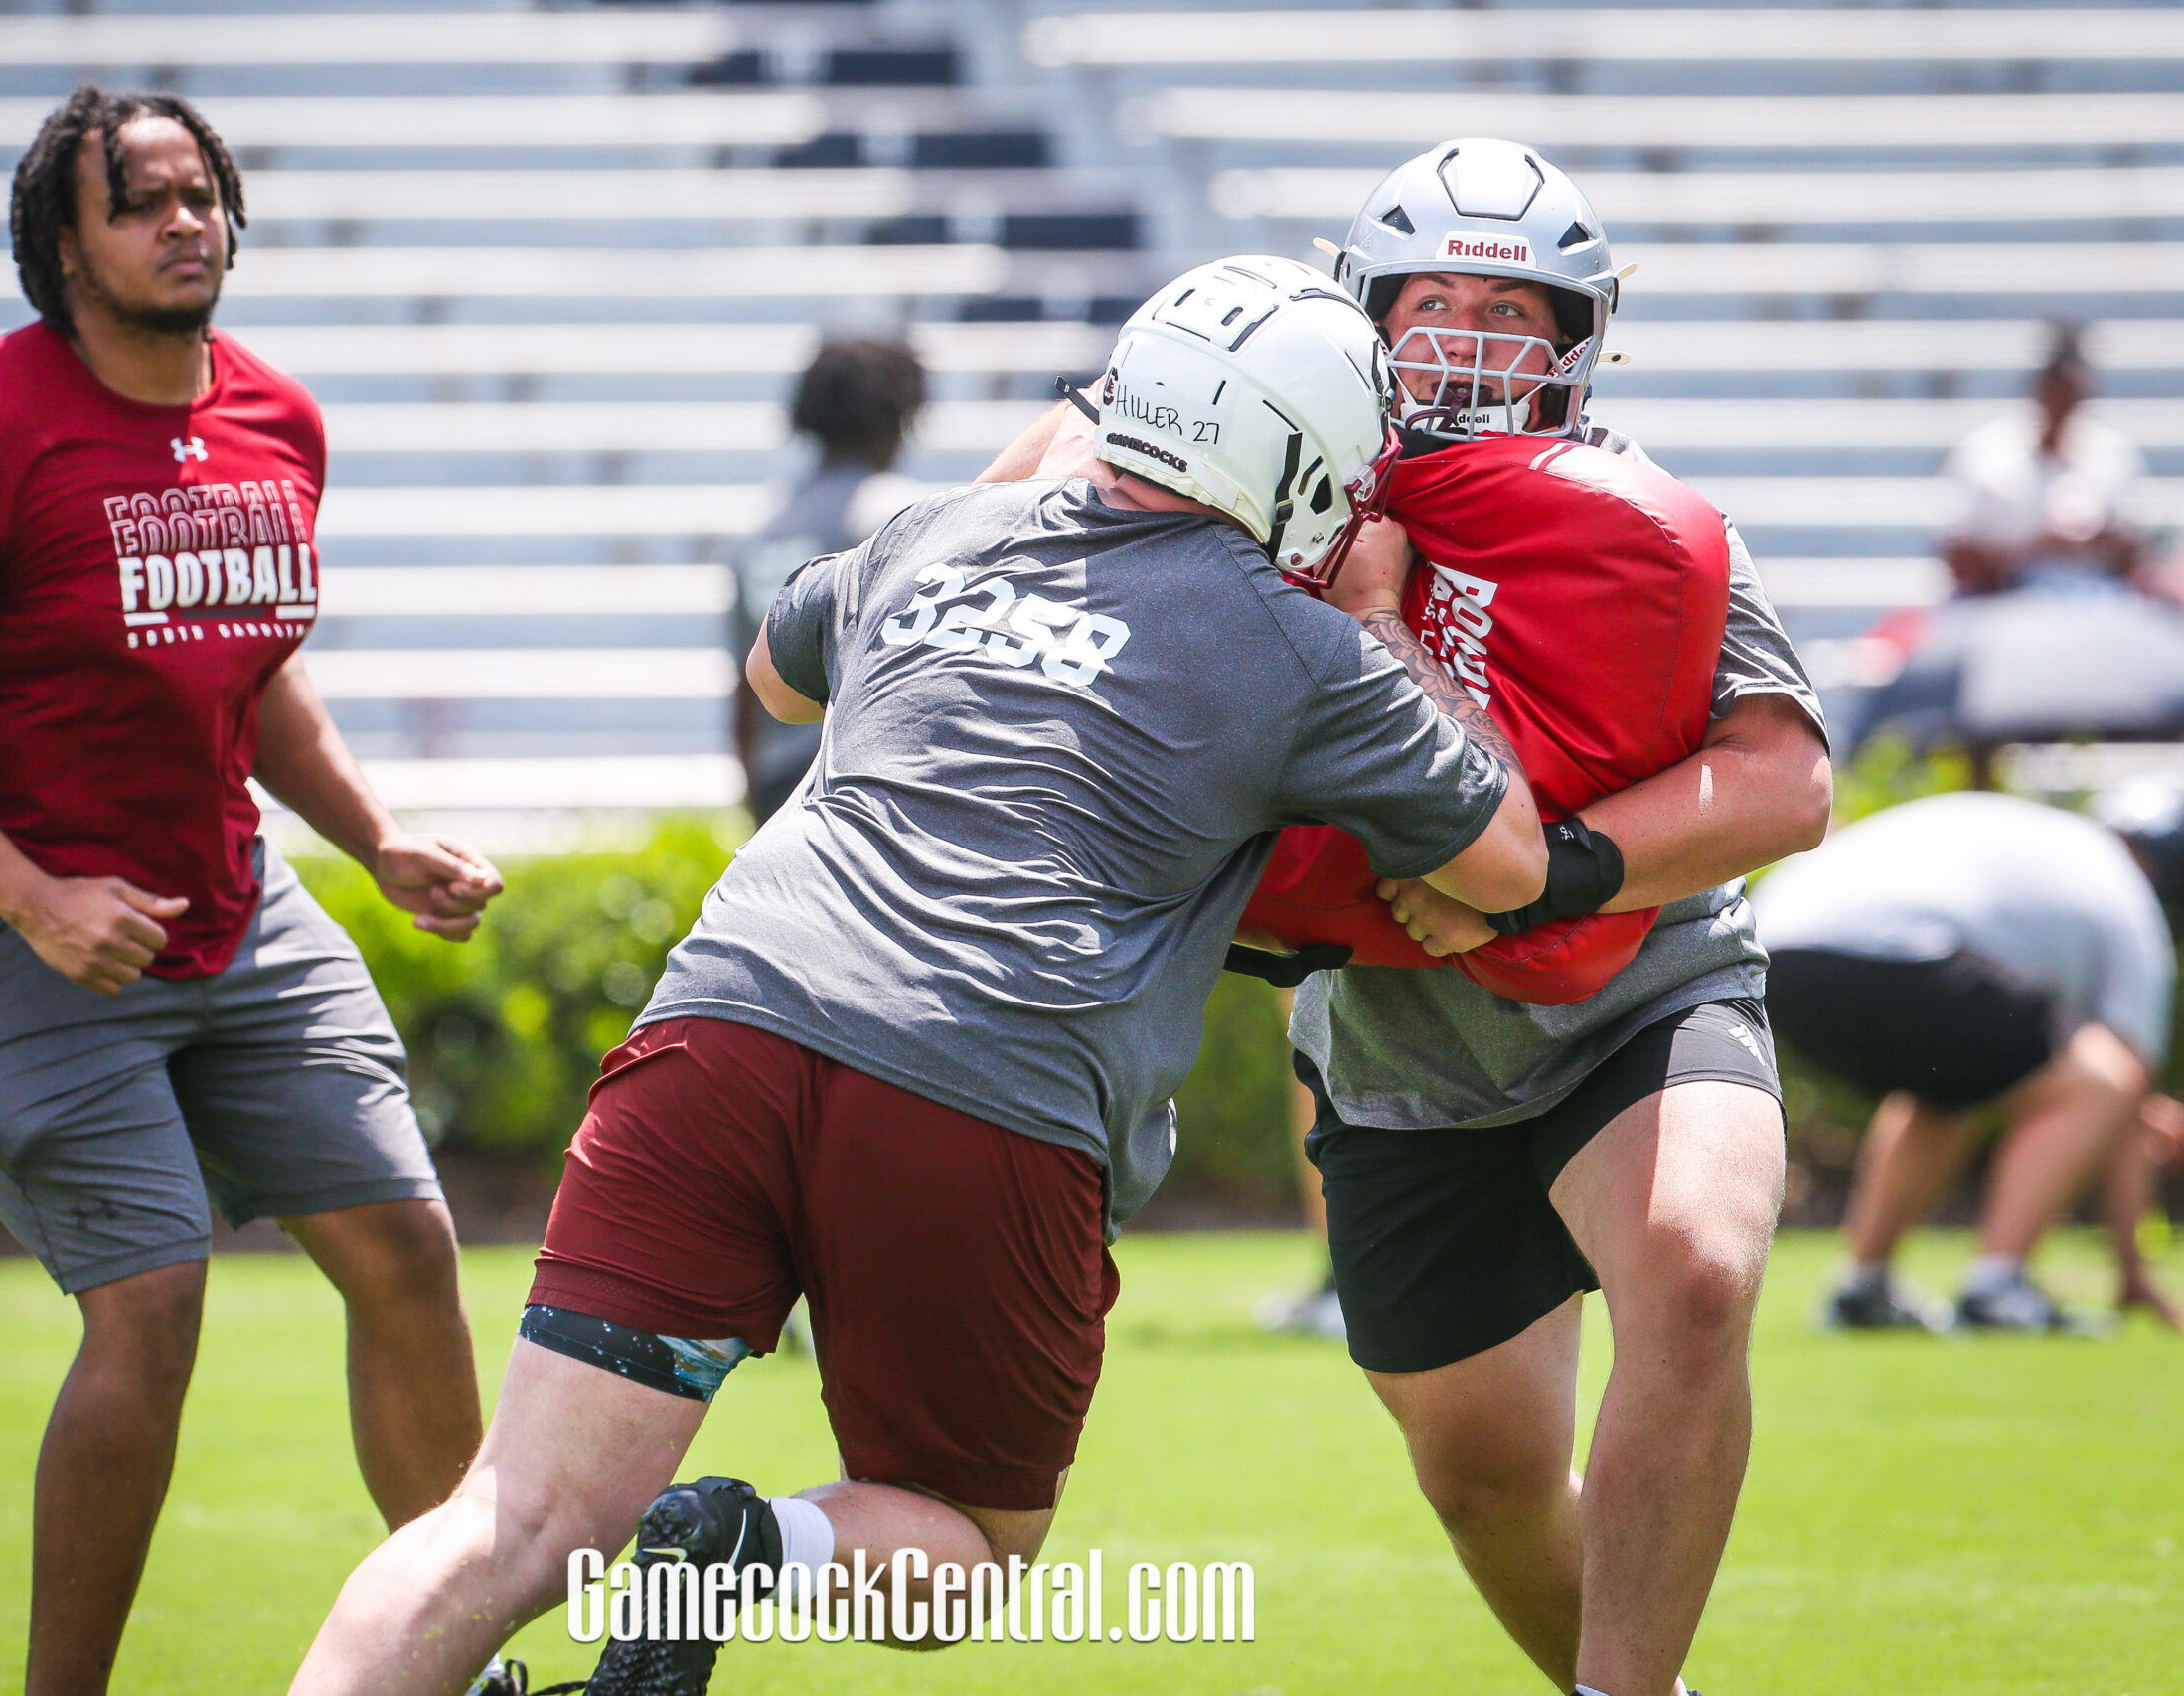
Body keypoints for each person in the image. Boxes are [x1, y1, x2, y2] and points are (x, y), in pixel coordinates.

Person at [286, 256, 1549, 1696]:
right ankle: (752, 1546)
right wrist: (1381, 606)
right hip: (987, 1079)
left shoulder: (938, 526)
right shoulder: (1304, 643)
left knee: (514, 1515)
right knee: (969, 1537)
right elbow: (1506, 856)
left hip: (728, 1013)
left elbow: (777, 674)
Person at [990, 139, 1834, 1696]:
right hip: (1395, 1050)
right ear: (1358, 314)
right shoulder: (1266, 479)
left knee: (1696, 1266)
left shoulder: (1625, 521)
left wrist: (1551, 868)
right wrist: (1085, 421)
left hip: (1639, 987)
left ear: (1577, 346)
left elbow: (1783, 781)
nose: (1462, 342)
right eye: (1430, 301)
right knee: (1484, 1477)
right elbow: (1025, 543)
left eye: (1507, 312)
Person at [0, 87, 495, 1696]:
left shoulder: (280, 422)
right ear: (64, 242)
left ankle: (449, 1663)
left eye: (204, 196)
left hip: (235, 907)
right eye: (142, 202)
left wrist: (376, 839)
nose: (187, 223)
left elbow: (249, 674)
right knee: (153, 1298)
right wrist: (34, 896)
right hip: (9, 932)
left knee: (406, 1244)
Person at [1756, 787, 2184, 1332]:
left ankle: (1863, 1287)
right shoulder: (2129, 900)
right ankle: (1998, 1289)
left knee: (1953, 1082)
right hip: (1893, 949)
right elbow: (2122, 1079)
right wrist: (2132, 1269)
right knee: (2102, 1082)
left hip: (1778, 952)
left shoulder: (2048, 834)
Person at [728, 337, 929, 825]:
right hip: (866, 777)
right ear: (898, 415)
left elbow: (744, 686)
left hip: (778, 781)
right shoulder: (901, 514)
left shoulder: (762, 525)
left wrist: (754, 796)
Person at [1941, 324, 2146, 598]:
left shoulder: (2115, 454)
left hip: (2094, 606)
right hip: (1998, 609)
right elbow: (1957, 558)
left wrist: (2097, 543)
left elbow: (2138, 558)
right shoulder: (1985, 453)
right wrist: (2034, 549)